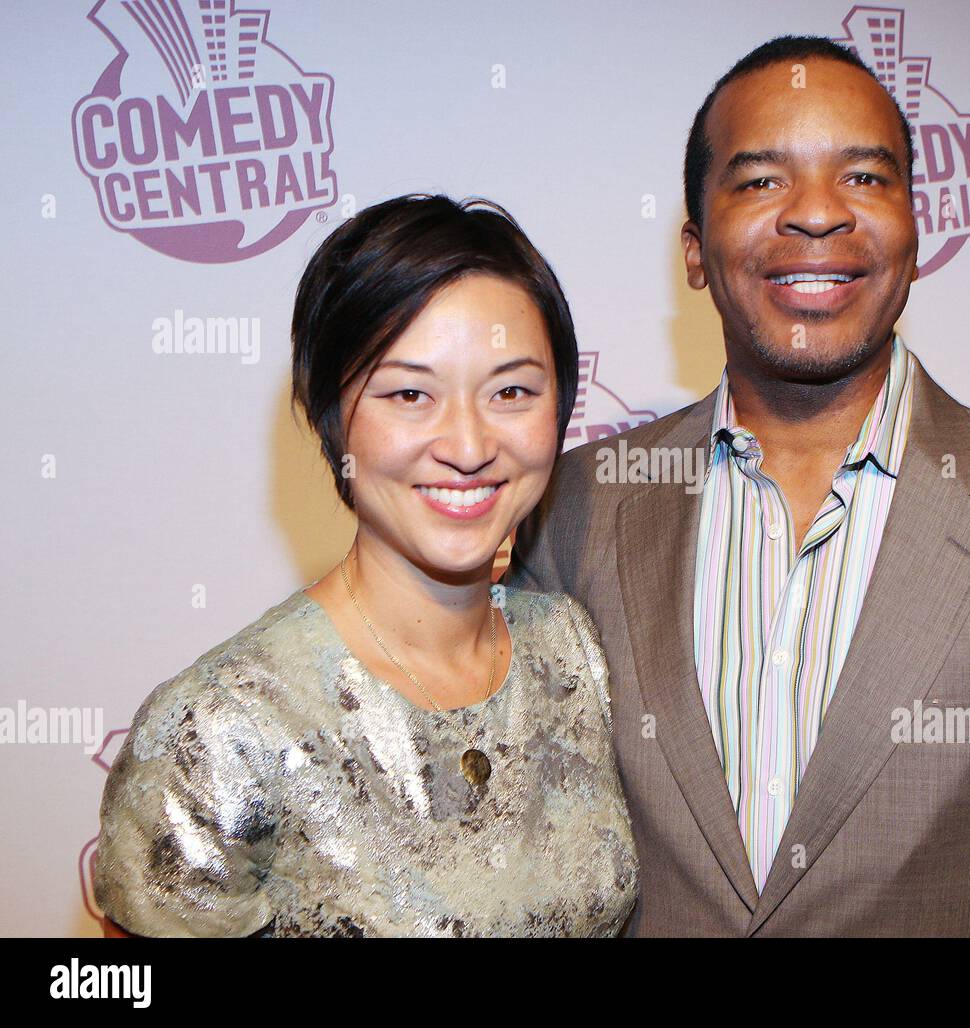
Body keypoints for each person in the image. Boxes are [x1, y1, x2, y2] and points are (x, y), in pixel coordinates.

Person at [505, 36, 970, 936]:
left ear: (917, 233)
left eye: (865, 179)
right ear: (694, 248)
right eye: (761, 180)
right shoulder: (571, 508)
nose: (816, 215)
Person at [93, 194, 638, 937]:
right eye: (410, 393)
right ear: (331, 411)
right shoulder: (222, 729)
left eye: (511, 390)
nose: (469, 444)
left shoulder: (571, 651)